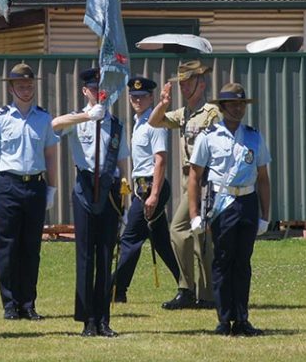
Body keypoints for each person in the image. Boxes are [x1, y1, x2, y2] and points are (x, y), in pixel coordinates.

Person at [188, 83, 271, 336]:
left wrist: (265, 216)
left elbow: (263, 177)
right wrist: (194, 216)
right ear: (222, 107)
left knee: (242, 262)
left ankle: (242, 318)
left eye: (241, 104)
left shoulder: (254, 136)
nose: (238, 109)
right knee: (223, 261)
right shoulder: (208, 136)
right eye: (233, 104)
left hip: (246, 202)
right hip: (221, 204)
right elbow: (194, 176)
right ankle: (224, 319)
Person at [52, 68, 129, 337]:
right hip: (85, 190)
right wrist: (87, 115)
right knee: (86, 257)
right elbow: (54, 124)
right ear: (85, 91)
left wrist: (124, 198)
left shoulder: (116, 125)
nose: (99, 94)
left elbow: (122, 164)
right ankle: (87, 320)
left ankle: (103, 319)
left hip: (108, 192)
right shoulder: (78, 119)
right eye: (94, 89)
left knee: (106, 256)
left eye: (102, 90)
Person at [0, 63, 59, 321]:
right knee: (6, 247)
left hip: (35, 186)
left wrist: (51, 188)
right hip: (8, 184)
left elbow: (50, 154)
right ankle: (9, 304)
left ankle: (28, 304)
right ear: (11, 88)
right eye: (21, 86)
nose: (26, 90)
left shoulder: (43, 117)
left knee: (31, 247)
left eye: (29, 86)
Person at [148, 60, 221, 310]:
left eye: (187, 82)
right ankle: (196, 292)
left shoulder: (211, 113)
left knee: (187, 232)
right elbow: (154, 121)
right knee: (192, 235)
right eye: (181, 83)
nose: (183, 87)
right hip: (187, 181)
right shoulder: (184, 114)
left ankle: (199, 292)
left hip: (204, 180)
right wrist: (163, 103)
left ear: (201, 84)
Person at [112, 76, 180, 302]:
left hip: (152, 187)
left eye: (142, 97)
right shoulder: (139, 122)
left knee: (130, 238)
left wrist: (153, 195)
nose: (137, 100)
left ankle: (115, 290)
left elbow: (160, 160)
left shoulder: (154, 123)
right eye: (133, 96)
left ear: (151, 97)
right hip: (142, 187)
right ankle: (188, 285)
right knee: (161, 242)